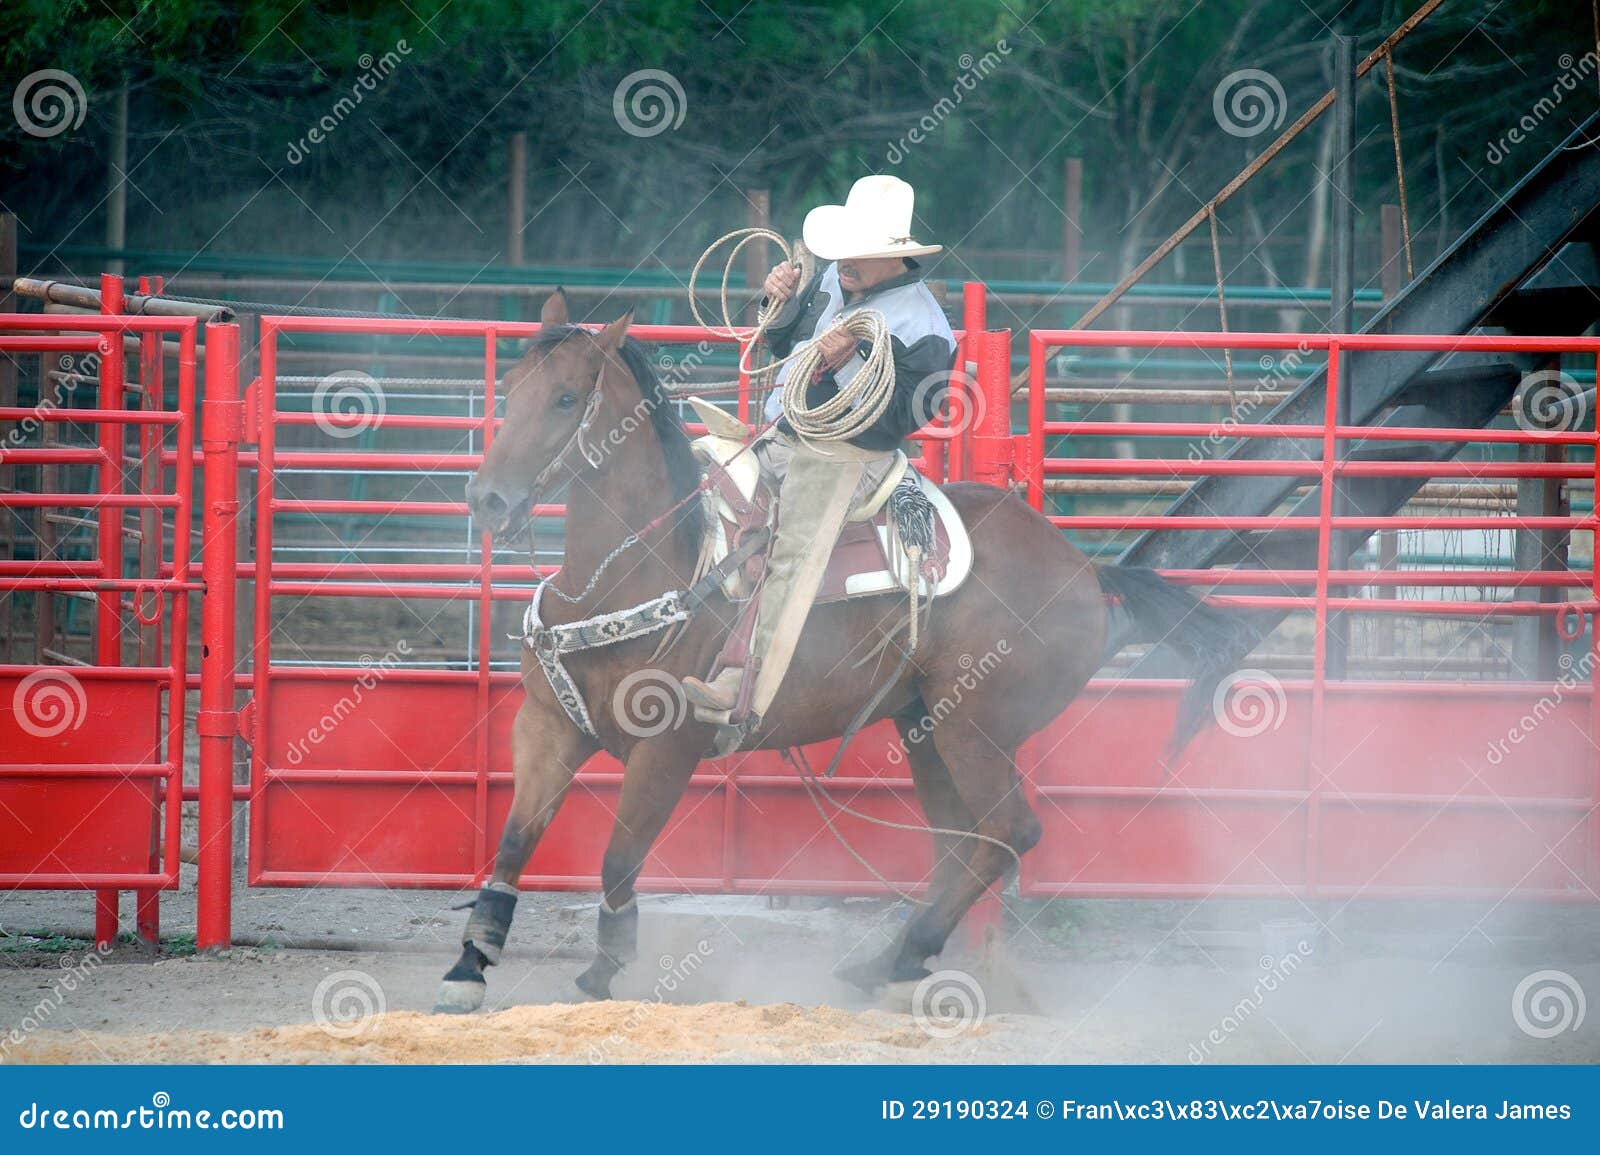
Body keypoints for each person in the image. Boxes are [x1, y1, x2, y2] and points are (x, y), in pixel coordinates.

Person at [682, 175, 956, 731]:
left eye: (860, 251)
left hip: (845, 458)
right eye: (845, 248)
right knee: (693, 478)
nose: (844, 260)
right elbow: (781, 344)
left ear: (892, 258)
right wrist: (778, 301)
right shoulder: (832, 276)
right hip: (779, 433)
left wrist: (841, 369)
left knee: (794, 550)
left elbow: (902, 419)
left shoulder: (925, 331)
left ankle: (743, 681)